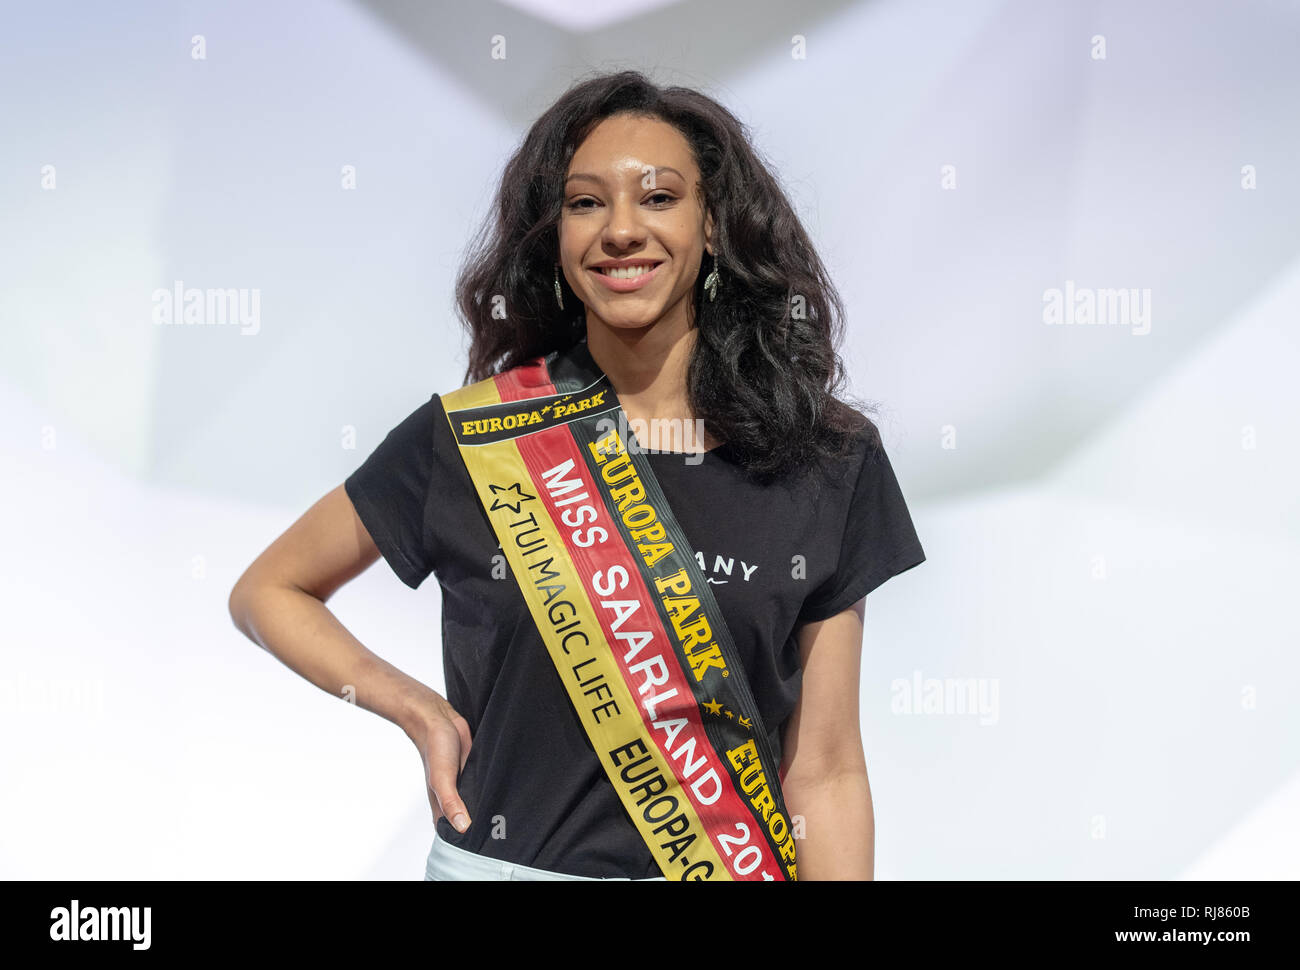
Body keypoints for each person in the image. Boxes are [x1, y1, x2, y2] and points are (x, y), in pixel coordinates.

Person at [228, 69, 926, 882]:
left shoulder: (824, 458)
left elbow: (828, 768)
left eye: (659, 198)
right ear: (555, 237)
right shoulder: (478, 438)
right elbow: (267, 590)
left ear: (715, 227)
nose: (621, 230)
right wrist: (414, 708)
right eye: (586, 202)